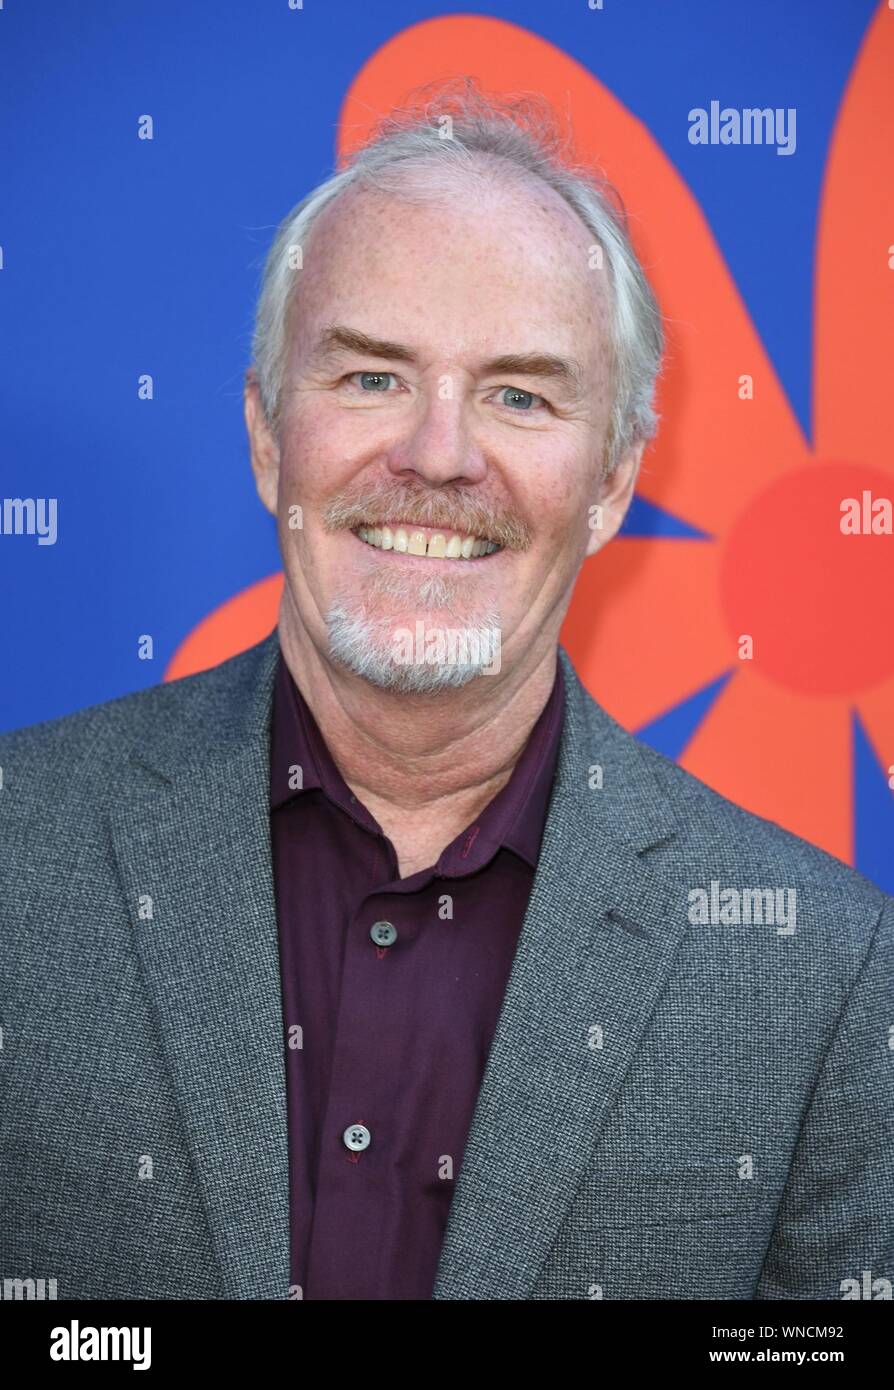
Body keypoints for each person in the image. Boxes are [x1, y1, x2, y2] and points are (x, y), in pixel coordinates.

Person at [1, 81, 890, 1301]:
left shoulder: (826, 973)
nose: (438, 453)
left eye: (520, 395)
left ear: (615, 479)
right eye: (371, 378)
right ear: (267, 435)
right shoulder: (19, 845)